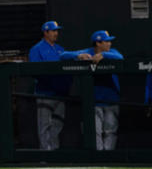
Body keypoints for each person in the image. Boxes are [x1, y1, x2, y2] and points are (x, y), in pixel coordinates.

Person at [60, 30, 124, 151]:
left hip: (112, 99)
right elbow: (63, 55)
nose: (109, 44)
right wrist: (78, 56)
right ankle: (99, 158)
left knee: (110, 131)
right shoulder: (88, 52)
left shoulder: (112, 52)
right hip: (94, 101)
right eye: (107, 41)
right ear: (98, 43)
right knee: (95, 131)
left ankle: (108, 157)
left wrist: (104, 55)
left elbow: (120, 57)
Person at [28, 21, 71, 150]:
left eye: (57, 31)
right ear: (46, 32)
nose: (56, 33)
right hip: (45, 93)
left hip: (60, 94)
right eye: (53, 31)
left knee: (58, 123)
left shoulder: (60, 49)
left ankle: (54, 150)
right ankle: (45, 153)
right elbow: (34, 72)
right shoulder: (37, 49)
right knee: (44, 124)